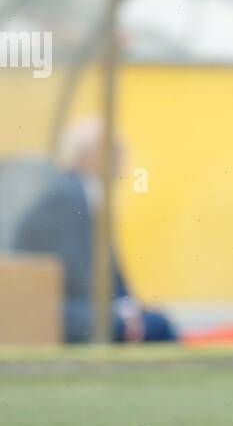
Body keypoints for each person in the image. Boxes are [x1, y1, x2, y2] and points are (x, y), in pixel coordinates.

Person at [13, 118, 176, 344]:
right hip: (65, 313)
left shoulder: (86, 196)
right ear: (89, 156)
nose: (123, 161)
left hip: (86, 309)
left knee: (157, 323)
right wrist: (122, 314)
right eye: (116, 152)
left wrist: (128, 308)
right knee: (158, 327)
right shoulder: (64, 198)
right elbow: (76, 277)